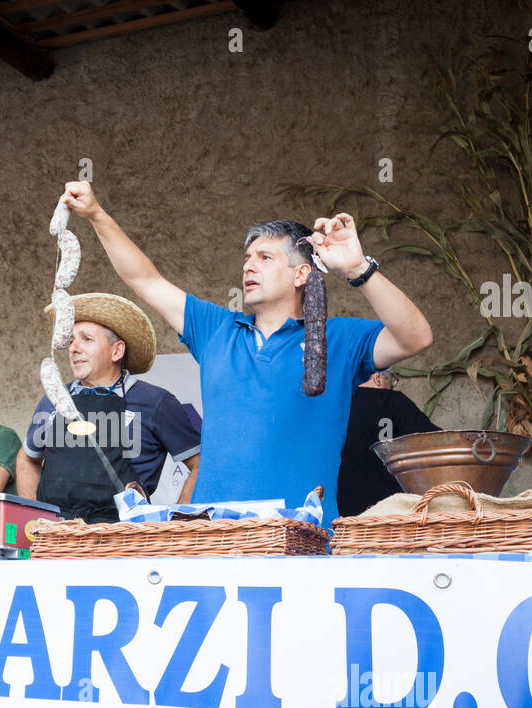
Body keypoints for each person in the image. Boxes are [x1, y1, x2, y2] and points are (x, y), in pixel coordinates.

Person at [58, 182, 434, 526]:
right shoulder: (216, 329)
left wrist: (357, 267)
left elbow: (415, 337)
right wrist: (96, 215)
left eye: (265, 258)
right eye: (247, 258)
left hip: (300, 538)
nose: (249, 265)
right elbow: (145, 279)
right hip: (216, 538)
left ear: (301, 274)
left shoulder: (338, 337)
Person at [16, 293, 201, 521]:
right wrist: (33, 520)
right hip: (57, 540)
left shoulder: (155, 402)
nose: (73, 348)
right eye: (72, 340)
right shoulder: (54, 400)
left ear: (117, 351)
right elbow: (27, 458)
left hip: (122, 543)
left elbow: (200, 464)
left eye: (86, 339)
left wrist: (179, 523)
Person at [337, 370, 440, 517]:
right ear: (377, 377)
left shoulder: (335, 407)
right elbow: (434, 441)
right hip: (389, 515)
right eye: (392, 382)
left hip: (340, 517)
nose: (392, 388)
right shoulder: (391, 400)